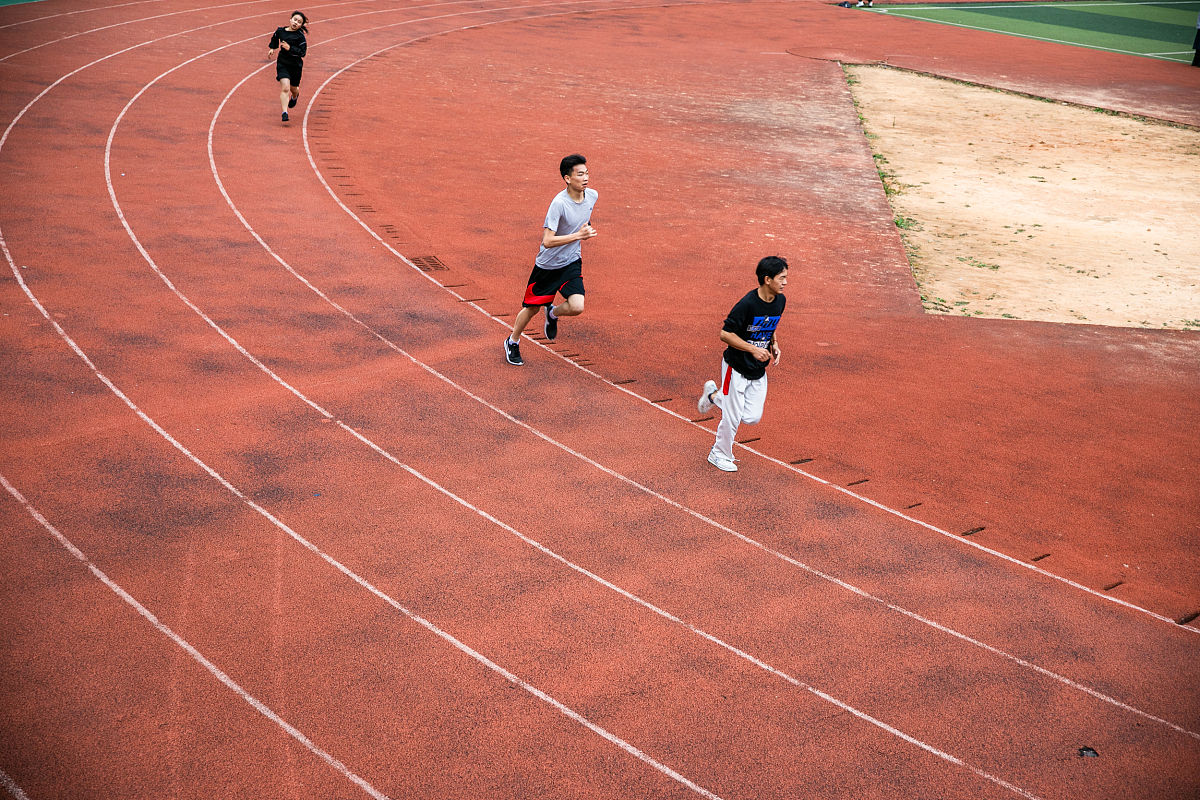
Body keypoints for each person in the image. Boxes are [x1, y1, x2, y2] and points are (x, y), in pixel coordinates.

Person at [504, 154, 598, 366]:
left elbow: (582, 219)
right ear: (567, 178)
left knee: (577, 306)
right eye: (580, 174)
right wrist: (578, 235)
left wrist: (585, 228)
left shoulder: (592, 196)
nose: (585, 178)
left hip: (571, 261)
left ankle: (553, 313)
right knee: (531, 309)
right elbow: (547, 241)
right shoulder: (559, 204)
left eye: (587, 173)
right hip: (548, 266)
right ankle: (512, 341)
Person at [697, 256, 788, 472]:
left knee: (752, 417)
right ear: (767, 279)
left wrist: (774, 344)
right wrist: (753, 349)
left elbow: (771, 324)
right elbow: (725, 334)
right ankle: (719, 453)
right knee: (732, 417)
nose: (785, 282)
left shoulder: (780, 301)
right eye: (781, 278)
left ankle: (713, 396)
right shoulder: (747, 304)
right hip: (735, 367)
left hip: (757, 370)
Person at [269, 11, 308, 122]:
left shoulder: (300, 37)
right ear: (290, 19)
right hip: (283, 63)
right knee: (285, 87)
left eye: (299, 22)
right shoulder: (281, 31)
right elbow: (275, 37)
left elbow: (303, 53)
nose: (296, 23)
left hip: (295, 66)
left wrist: (290, 48)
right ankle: (284, 113)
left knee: (293, 88)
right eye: (295, 20)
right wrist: (272, 48)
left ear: (301, 25)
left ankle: (295, 96)